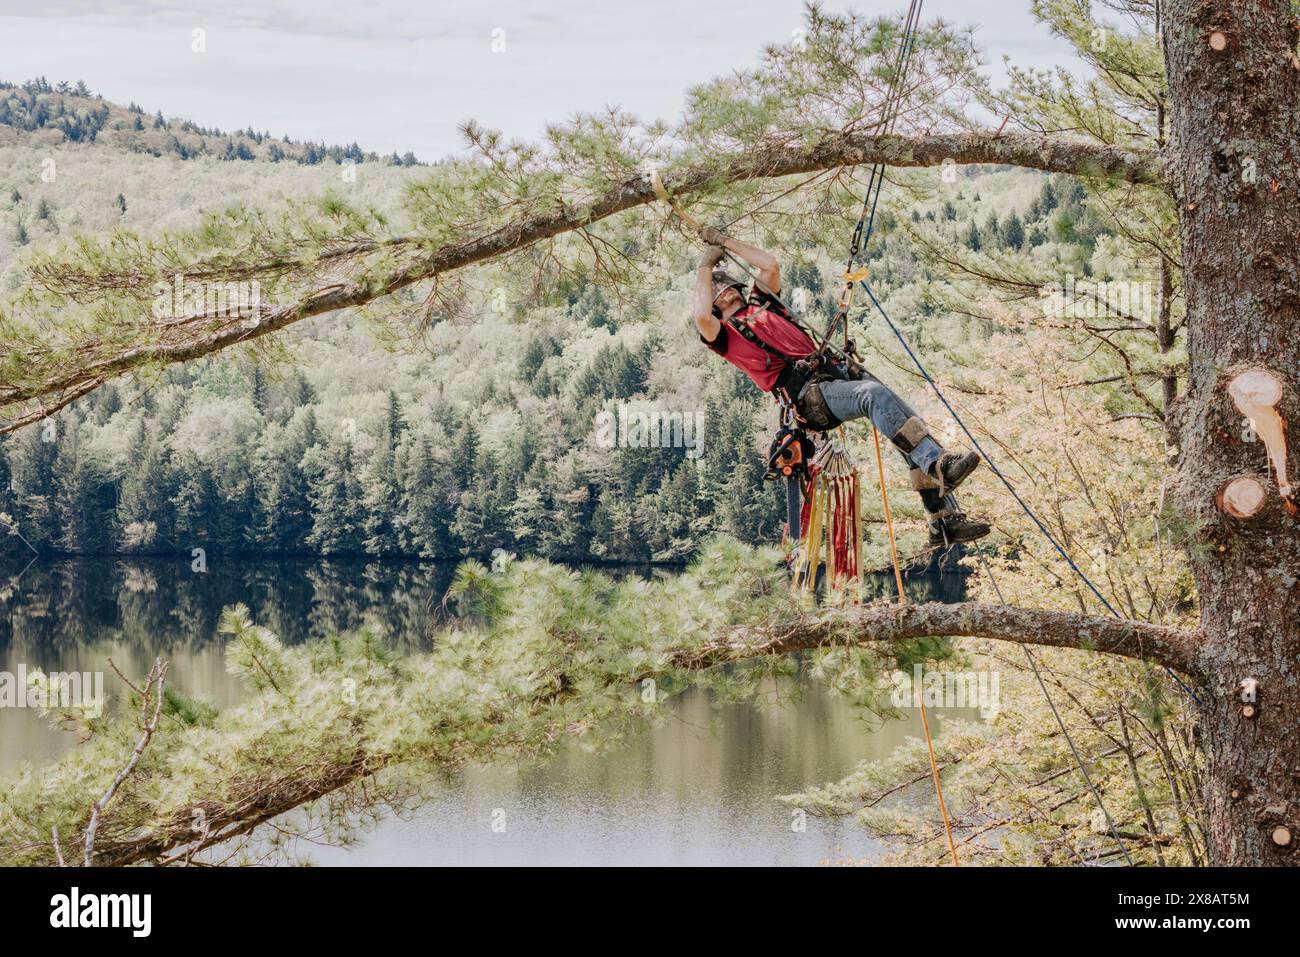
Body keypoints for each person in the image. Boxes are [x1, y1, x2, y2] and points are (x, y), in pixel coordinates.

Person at [692, 228, 990, 546]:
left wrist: (725, 243)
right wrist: (705, 268)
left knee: (907, 422)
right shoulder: (724, 336)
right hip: (810, 395)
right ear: (714, 303)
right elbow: (700, 316)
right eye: (717, 294)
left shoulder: (765, 304)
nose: (725, 293)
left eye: (727, 288)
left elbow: (770, 265)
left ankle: (942, 521)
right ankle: (937, 463)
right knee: (872, 396)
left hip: (834, 372)